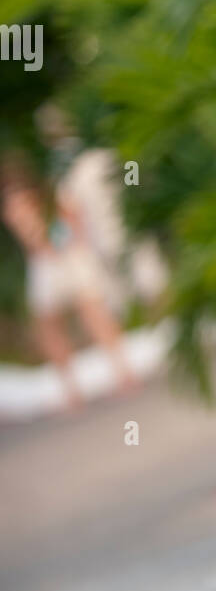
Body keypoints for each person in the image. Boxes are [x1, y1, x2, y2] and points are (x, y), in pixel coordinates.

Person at [0, 155, 137, 408]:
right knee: (47, 323)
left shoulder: (51, 195)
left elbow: (75, 221)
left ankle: (123, 372)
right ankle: (71, 389)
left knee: (93, 313)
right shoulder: (10, 209)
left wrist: (63, 245)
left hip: (69, 255)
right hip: (43, 263)